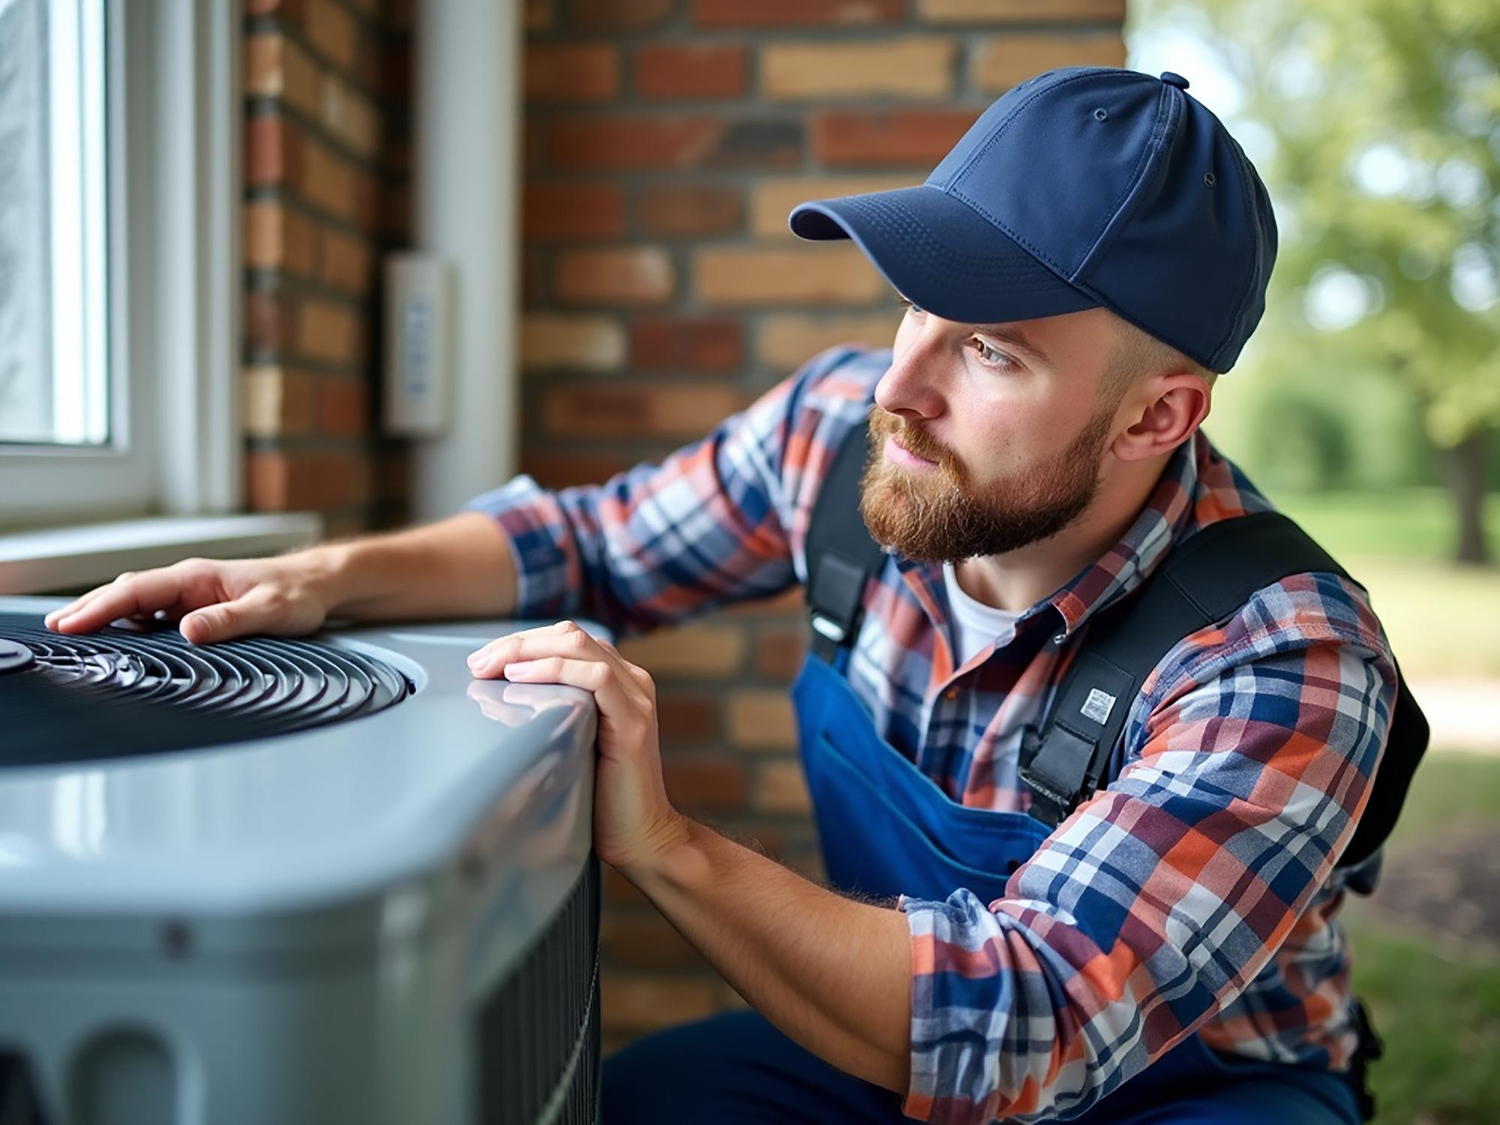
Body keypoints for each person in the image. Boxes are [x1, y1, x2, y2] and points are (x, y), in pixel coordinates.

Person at [46, 68, 1394, 1124]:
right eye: (916, 302)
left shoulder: (1282, 656)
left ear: (1161, 412)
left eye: (987, 346)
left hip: (1193, 1088)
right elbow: (588, 546)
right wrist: (314, 576)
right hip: (901, 1058)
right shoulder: (838, 437)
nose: (901, 387)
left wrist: (668, 843)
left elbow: (1024, 1024)